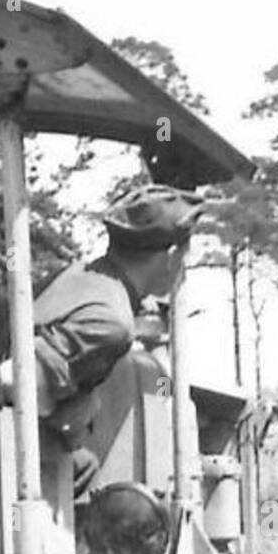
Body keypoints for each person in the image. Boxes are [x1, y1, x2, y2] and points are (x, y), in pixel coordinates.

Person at [28, 183, 205, 501]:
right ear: (170, 256)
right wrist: (59, 442)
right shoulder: (111, 324)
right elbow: (14, 378)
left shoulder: (80, 278)